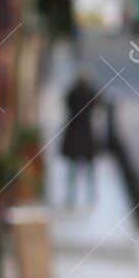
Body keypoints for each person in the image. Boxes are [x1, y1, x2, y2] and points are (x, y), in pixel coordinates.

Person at [61, 67, 99, 207]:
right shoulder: (90, 93)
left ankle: (75, 196)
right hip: (84, 132)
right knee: (86, 168)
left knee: (75, 168)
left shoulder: (74, 92)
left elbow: (67, 104)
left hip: (76, 132)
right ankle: (89, 195)